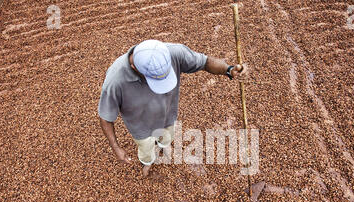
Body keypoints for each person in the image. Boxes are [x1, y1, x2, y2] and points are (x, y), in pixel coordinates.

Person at [98, 39, 247, 177]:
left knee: (167, 136)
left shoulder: (173, 53)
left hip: (168, 116)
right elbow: (106, 117)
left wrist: (228, 69)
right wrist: (116, 147)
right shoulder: (114, 81)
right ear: (134, 67)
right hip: (141, 128)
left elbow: (205, 62)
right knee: (146, 148)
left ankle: (164, 146)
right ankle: (147, 162)